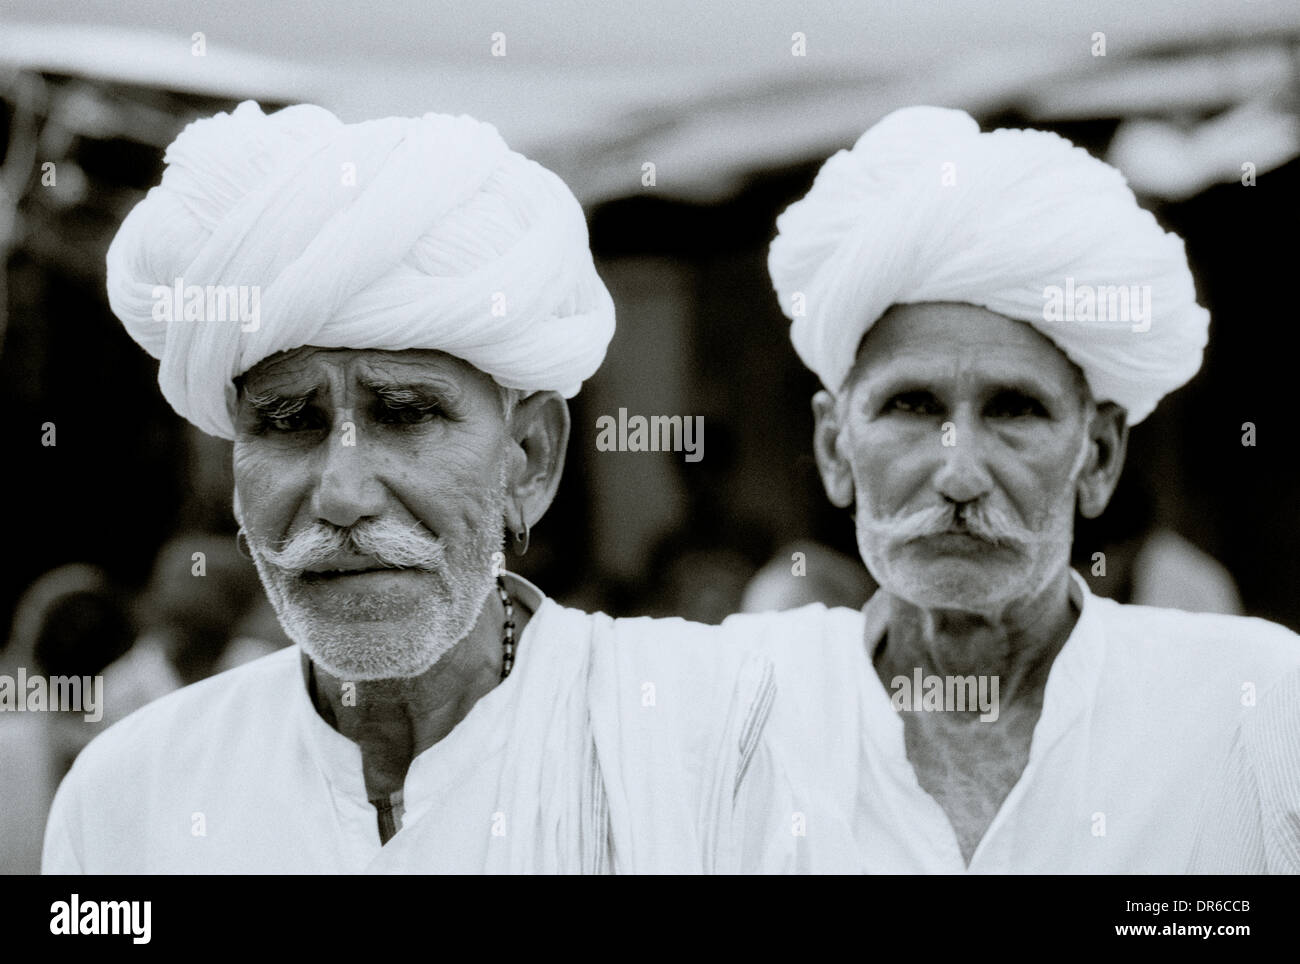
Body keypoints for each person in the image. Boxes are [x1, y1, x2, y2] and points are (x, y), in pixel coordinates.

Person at [43, 102, 794, 874]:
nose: (341, 495)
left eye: (404, 414)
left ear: (529, 458)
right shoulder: (128, 801)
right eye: (289, 422)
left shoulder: (716, 742)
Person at [755, 106, 1300, 872]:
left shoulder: (1255, 704)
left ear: (1099, 455)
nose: (959, 473)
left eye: (1016, 409)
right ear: (834, 447)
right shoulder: (741, 725)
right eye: (912, 407)